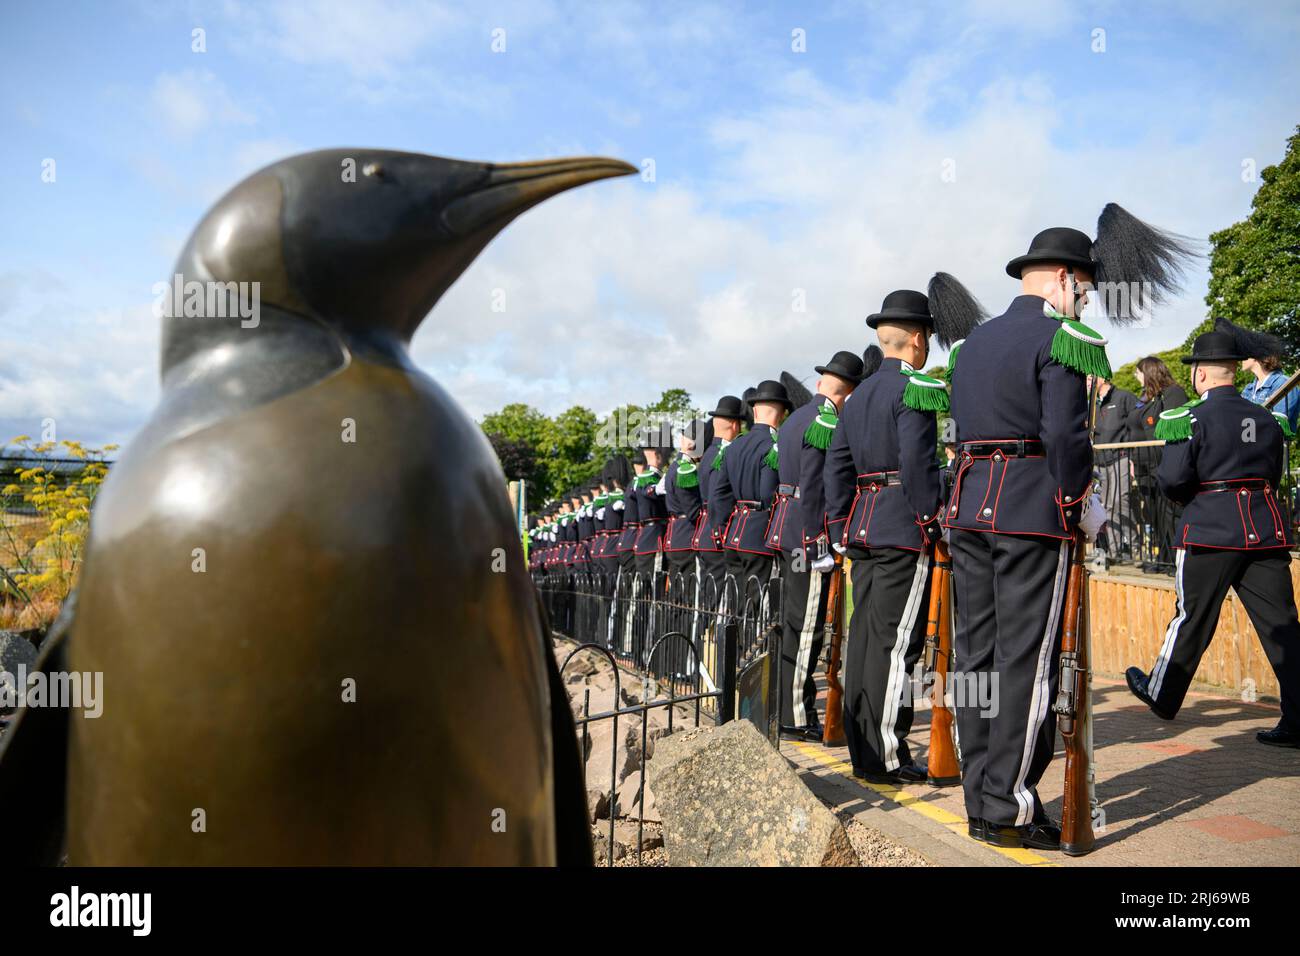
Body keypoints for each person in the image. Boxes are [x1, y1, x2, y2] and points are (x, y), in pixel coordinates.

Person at [947, 205, 1194, 850]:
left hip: (970, 510)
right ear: (1062, 279)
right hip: (1032, 513)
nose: (1085, 302)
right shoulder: (1064, 338)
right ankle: (1008, 805)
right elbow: (1064, 434)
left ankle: (980, 799)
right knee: (1025, 664)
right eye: (1083, 289)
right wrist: (1078, 497)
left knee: (974, 658)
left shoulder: (972, 344)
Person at [826, 276, 984, 782]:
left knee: (867, 642)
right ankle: (886, 756)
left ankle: (863, 749)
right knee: (895, 645)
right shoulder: (917, 388)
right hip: (900, 527)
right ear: (918, 339)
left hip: (863, 527)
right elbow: (918, 466)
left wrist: (838, 525)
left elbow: (837, 469)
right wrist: (931, 518)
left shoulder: (857, 398)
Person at [1126, 328, 1300, 748]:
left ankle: (1163, 693)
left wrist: (1200, 501)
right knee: (1283, 627)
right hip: (1263, 530)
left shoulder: (1186, 419)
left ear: (1201, 375)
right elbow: (1273, 473)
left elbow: (1171, 479)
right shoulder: (1266, 418)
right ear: (1234, 373)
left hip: (1210, 530)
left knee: (1192, 618)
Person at [770, 351, 865, 742]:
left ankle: (789, 705)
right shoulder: (825, 420)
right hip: (806, 535)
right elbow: (814, 487)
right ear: (847, 393)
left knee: (794, 624)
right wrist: (816, 542)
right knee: (806, 627)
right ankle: (794, 712)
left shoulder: (795, 420)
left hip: (785, 528)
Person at [711, 380, 791, 609]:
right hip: (758, 535)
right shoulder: (773, 445)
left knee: (736, 604)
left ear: (754, 411)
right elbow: (768, 495)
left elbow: (720, 494)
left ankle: (733, 646)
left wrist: (721, 527)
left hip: (734, 532)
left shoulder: (733, 446)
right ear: (782, 414)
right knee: (756, 606)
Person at [1127, 356, 1189, 568]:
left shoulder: (1173, 393)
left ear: (1149, 372)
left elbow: (1174, 427)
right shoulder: (1146, 397)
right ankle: (1163, 558)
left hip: (1162, 463)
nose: (1136, 376)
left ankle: (1175, 560)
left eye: (1138, 372)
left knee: (1169, 514)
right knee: (1153, 515)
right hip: (1143, 464)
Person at [696, 396, 746, 601]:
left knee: (710, 597)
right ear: (735, 425)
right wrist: (722, 531)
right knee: (722, 600)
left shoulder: (708, 452)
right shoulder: (724, 453)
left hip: (706, 530)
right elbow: (719, 496)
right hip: (717, 532)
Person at [1089, 375, 1139, 563]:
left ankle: (1134, 546)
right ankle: (1114, 551)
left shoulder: (1123, 397)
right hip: (1099, 462)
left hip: (1121, 458)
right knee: (1107, 506)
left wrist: (1133, 457)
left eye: (1088, 378)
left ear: (1100, 378)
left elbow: (1137, 426)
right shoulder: (1091, 404)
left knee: (1121, 502)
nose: (1086, 382)